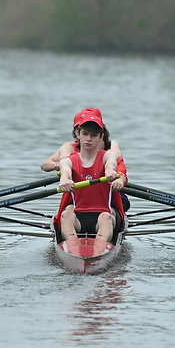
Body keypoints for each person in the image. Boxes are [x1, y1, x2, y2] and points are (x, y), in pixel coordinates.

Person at [54, 107, 128, 253]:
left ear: (101, 137)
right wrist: (64, 180)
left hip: (102, 216)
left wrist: (110, 172)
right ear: (78, 134)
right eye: (85, 134)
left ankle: (97, 256)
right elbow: (65, 172)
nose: (88, 139)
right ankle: (74, 252)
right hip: (78, 218)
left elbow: (111, 163)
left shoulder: (108, 155)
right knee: (66, 215)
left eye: (94, 135)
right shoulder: (68, 161)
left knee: (106, 218)